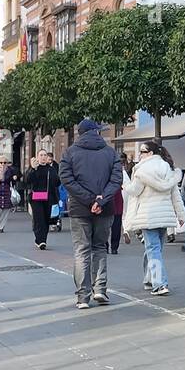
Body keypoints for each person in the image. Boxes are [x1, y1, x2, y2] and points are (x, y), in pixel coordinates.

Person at [60, 118, 123, 308]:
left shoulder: (69, 153)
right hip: (105, 208)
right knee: (100, 248)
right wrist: (100, 200)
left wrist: (89, 200)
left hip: (79, 208)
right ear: (96, 132)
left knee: (81, 250)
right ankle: (100, 289)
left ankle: (82, 296)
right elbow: (116, 180)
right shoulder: (111, 153)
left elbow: (67, 180)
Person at [122, 141, 185, 297]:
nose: (140, 155)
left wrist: (124, 182)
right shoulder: (167, 168)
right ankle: (149, 278)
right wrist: (181, 215)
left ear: (150, 153)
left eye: (142, 151)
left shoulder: (141, 170)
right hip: (164, 216)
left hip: (148, 215)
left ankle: (159, 283)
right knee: (155, 249)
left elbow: (134, 191)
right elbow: (175, 196)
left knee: (152, 249)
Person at [25, 150, 60, 249]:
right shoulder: (34, 168)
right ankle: (41, 241)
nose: (43, 157)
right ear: (37, 157)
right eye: (41, 155)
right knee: (39, 218)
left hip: (49, 197)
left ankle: (42, 239)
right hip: (36, 197)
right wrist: (33, 169)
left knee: (46, 219)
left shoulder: (51, 169)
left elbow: (57, 182)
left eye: (45, 155)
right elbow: (27, 180)